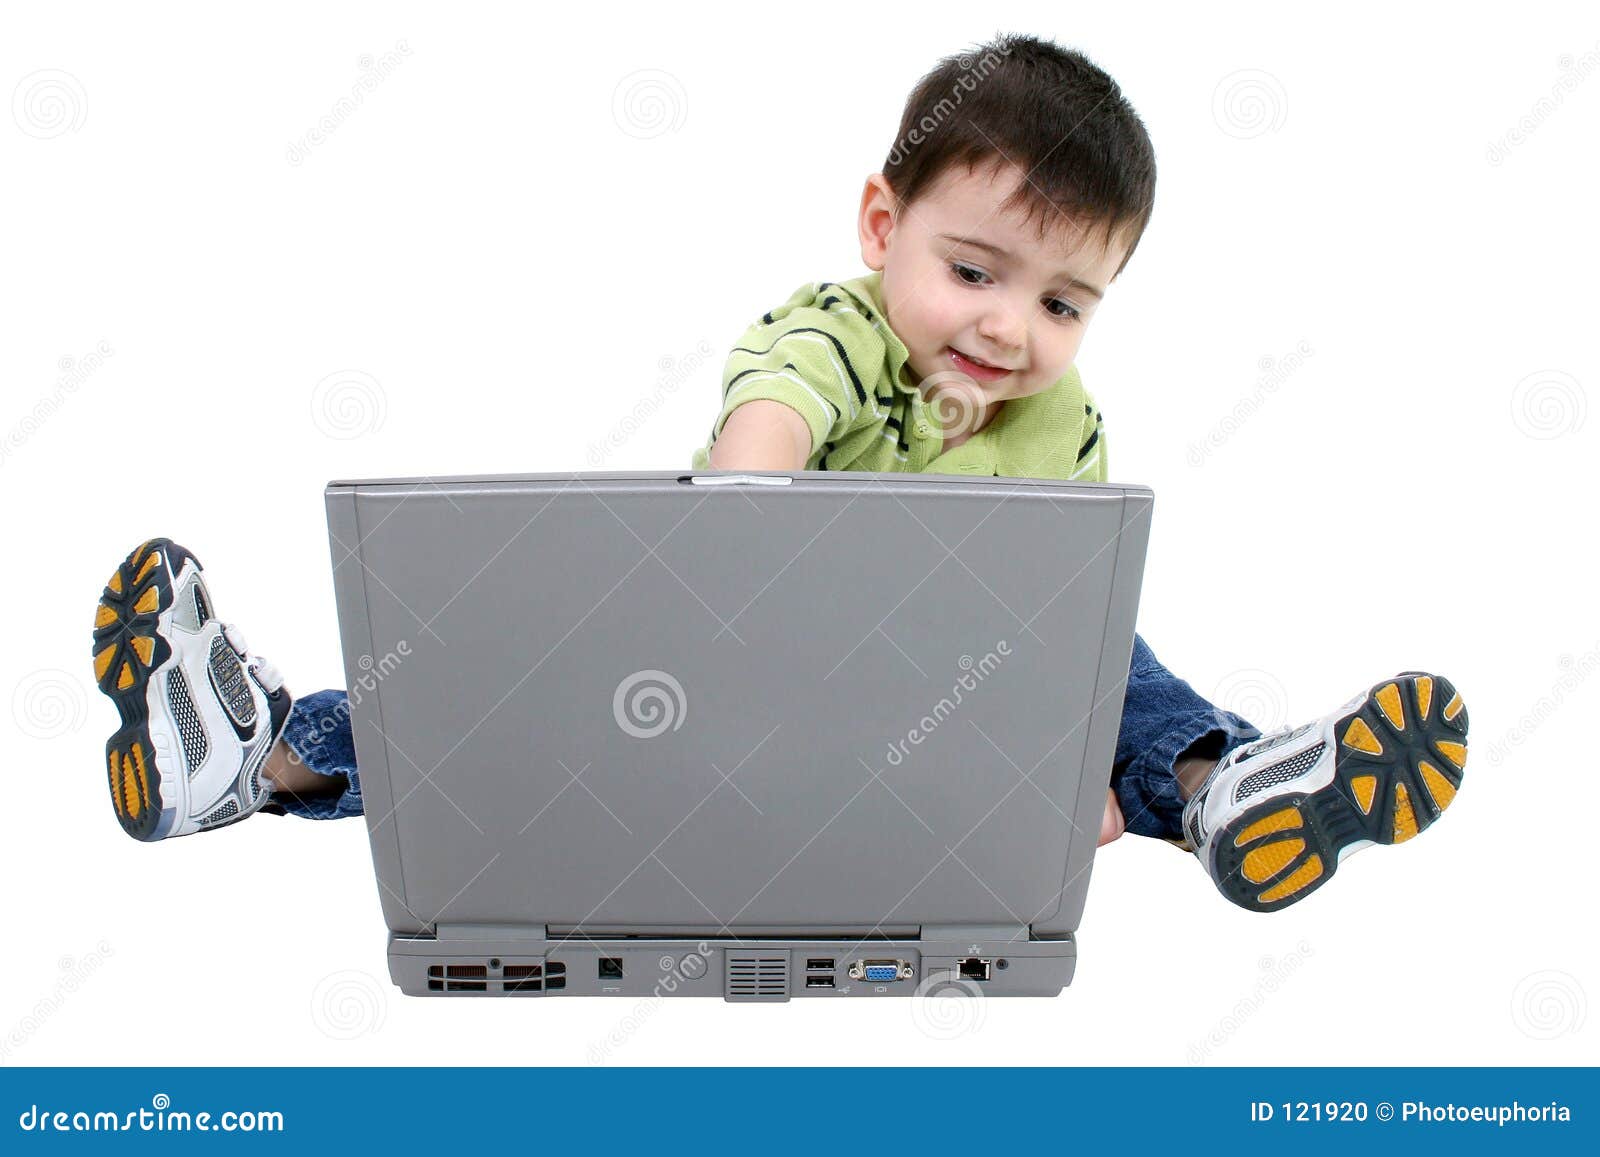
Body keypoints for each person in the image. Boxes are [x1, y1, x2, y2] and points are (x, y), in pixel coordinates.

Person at [89, 34, 1468, 913]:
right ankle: (253, 755)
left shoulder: (1065, 426)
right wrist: (749, 531)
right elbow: (772, 426)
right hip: (722, 655)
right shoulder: (841, 331)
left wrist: (1049, 793)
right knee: (498, 688)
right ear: (883, 226)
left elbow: (1058, 644)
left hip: (928, 737)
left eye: (1064, 303)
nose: (1009, 327)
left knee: (1126, 664)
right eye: (976, 272)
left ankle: (1225, 785)